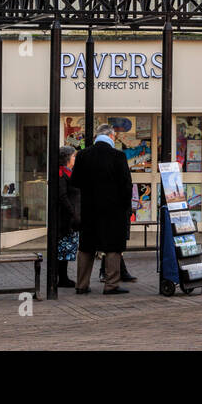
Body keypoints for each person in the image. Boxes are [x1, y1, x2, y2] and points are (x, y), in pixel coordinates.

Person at [69, 124, 133, 295]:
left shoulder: (83, 155)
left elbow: (75, 181)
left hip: (89, 208)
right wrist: (126, 207)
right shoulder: (118, 156)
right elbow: (126, 185)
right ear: (111, 136)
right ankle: (111, 284)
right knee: (113, 247)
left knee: (86, 247)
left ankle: (81, 284)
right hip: (113, 210)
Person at [55, 146, 81, 288]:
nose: (75, 159)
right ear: (67, 158)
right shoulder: (61, 174)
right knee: (62, 249)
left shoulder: (70, 173)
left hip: (71, 217)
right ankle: (62, 278)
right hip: (65, 218)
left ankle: (63, 277)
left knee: (65, 249)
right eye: (73, 156)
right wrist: (73, 212)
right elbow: (62, 196)